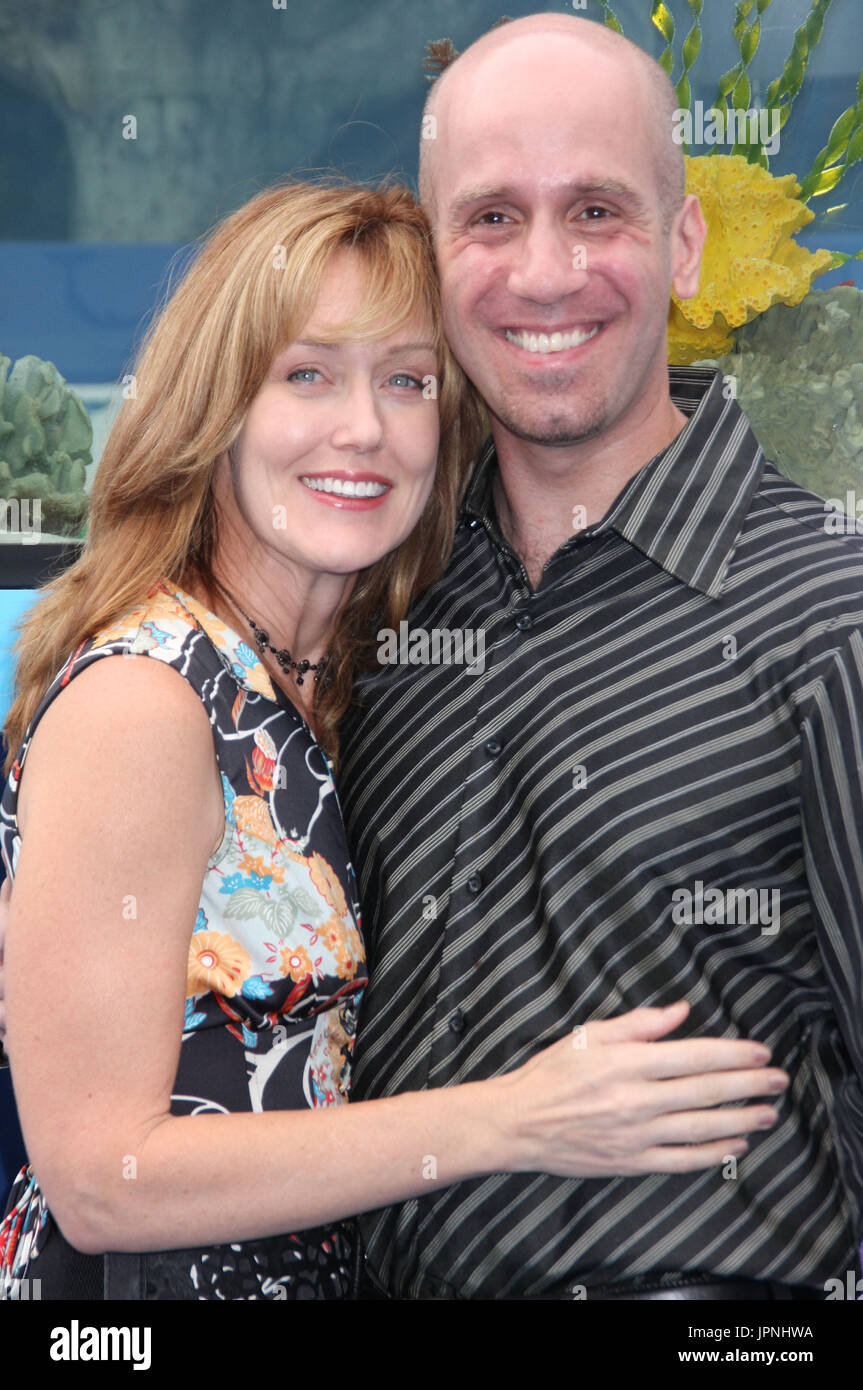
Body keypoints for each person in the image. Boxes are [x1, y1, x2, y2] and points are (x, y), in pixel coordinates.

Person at [0, 177, 785, 1301]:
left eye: (406, 380)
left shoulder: (323, 683)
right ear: (213, 408)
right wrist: (523, 1116)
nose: (362, 428)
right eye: (306, 375)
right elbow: (102, 1179)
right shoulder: (149, 701)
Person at [334, 14, 863, 1300]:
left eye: (596, 212)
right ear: (436, 252)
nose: (545, 272)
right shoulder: (376, 597)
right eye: (493, 219)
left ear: (683, 248)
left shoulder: (829, 620)